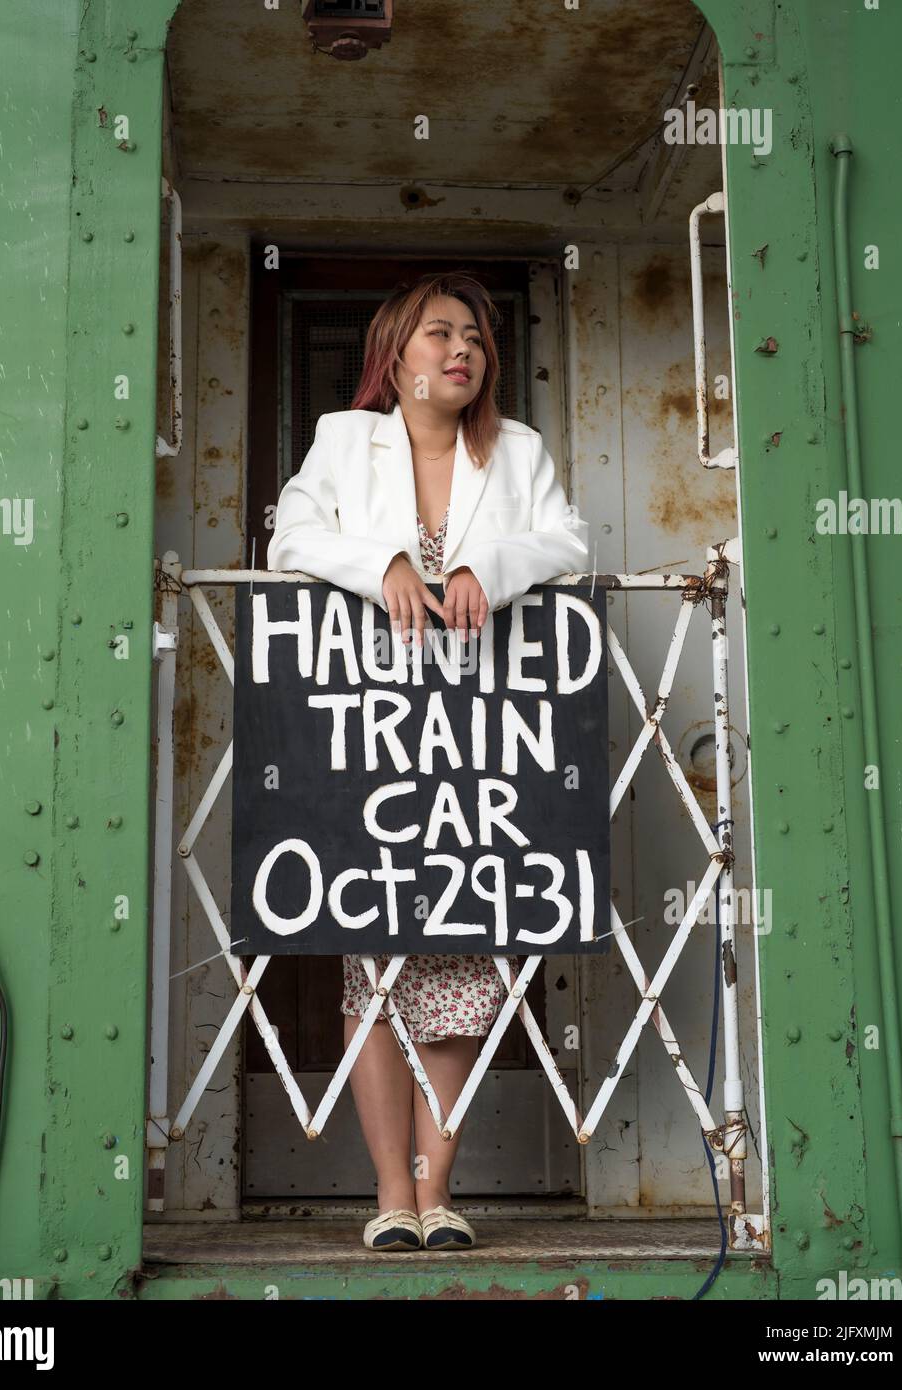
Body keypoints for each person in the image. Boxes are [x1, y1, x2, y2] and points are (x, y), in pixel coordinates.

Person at [267, 271, 590, 1251]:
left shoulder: (518, 450)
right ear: (394, 356)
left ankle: (436, 1189)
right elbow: (289, 538)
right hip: (371, 735)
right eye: (440, 334)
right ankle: (385, 1197)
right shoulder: (342, 439)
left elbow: (566, 543)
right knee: (372, 955)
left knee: (461, 956)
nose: (464, 351)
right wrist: (387, 566)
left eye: (478, 339)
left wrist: (477, 570)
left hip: (482, 738)